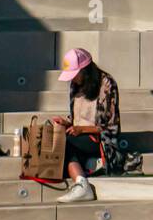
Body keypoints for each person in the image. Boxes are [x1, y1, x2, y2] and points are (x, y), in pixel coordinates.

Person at [51, 48, 133, 202]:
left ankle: (82, 185)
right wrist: (67, 122)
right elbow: (77, 118)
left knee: (66, 144)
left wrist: (81, 129)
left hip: (101, 140)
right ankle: (81, 177)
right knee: (58, 142)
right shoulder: (75, 86)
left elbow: (111, 126)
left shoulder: (107, 83)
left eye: (75, 75)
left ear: (86, 70)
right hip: (79, 137)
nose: (73, 79)